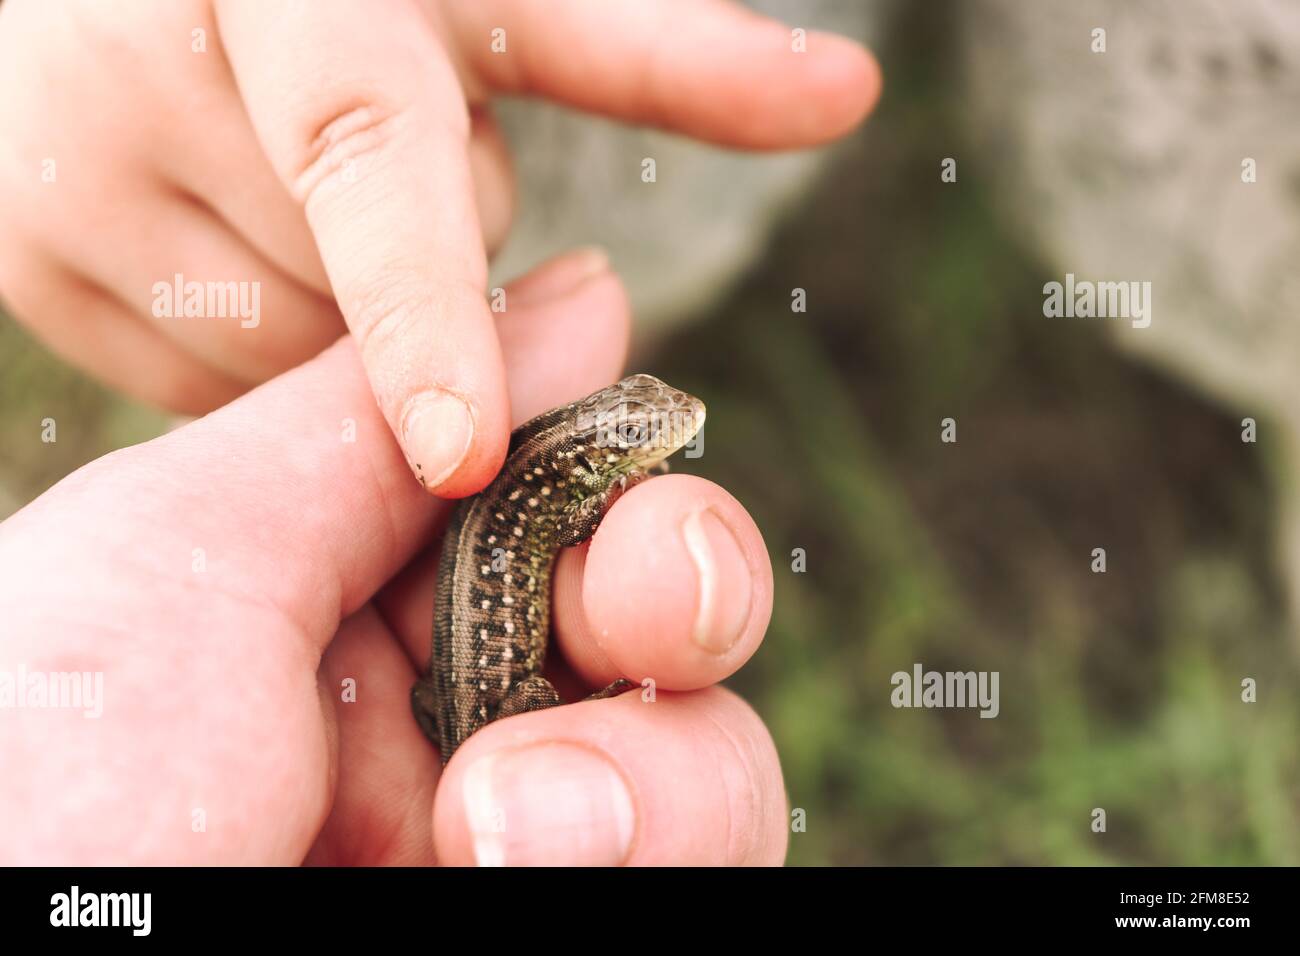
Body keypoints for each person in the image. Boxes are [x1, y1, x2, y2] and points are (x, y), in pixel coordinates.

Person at [0, 0, 879, 864]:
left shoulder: (550, 467)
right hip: (485, 703)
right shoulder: (556, 485)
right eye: (651, 429)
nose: (672, 430)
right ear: (607, 449)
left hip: (445, 700)